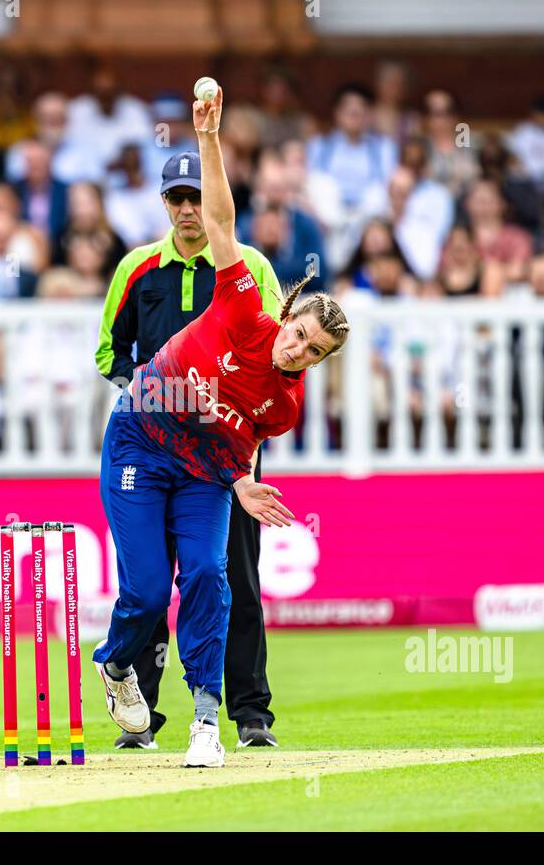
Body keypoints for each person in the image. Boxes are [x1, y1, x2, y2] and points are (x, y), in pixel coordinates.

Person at [91, 87, 350, 767]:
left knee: (213, 573)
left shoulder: (285, 407)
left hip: (211, 465)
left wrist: (241, 479)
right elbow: (225, 222)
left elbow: (240, 432)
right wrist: (209, 141)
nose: (296, 350)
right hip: (142, 443)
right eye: (298, 335)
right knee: (148, 589)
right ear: (285, 316)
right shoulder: (242, 303)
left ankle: (217, 717)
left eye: (312, 352)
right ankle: (120, 676)